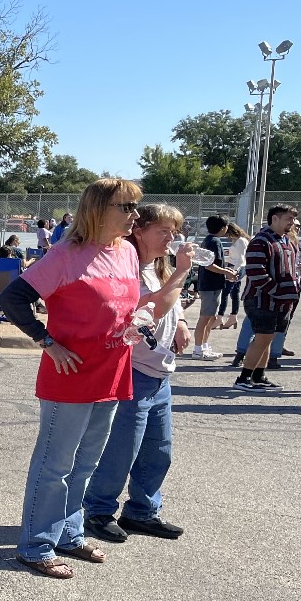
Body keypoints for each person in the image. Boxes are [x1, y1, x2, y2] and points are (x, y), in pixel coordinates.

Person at [0, 178, 188, 580]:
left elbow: (131, 303)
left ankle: (70, 533)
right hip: (70, 375)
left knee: (86, 463)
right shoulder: (66, 254)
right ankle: (35, 546)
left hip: (113, 372)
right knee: (55, 465)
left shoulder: (124, 254)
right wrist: (47, 341)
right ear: (99, 209)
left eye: (136, 207)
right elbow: (12, 298)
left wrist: (138, 317)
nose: (135, 216)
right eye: (127, 207)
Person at [83, 204, 193, 544]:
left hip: (159, 372)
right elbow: (149, 306)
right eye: (163, 230)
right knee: (121, 449)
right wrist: (182, 273)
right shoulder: (129, 265)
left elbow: (170, 306)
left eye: (173, 231)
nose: (171, 237)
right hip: (133, 369)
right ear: (140, 232)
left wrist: (183, 324)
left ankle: (142, 511)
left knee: (158, 450)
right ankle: (98, 512)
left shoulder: (158, 268)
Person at [234, 204, 301, 392]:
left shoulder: (286, 241)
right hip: (262, 300)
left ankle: (259, 376)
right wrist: (277, 291)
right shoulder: (261, 241)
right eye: (289, 219)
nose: (293, 223)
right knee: (262, 337)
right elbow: (256, 273)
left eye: (293, 219)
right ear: (275, 219)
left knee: (268, 338)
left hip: (282, 301)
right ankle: (244, 378)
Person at [190, 215, 234, 359]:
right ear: (222, 228)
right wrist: (226, 271)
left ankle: (204, 346)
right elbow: (209, 265)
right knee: (205, 317)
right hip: (209, 285)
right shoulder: (213, 242)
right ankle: (198, 349)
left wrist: (226, 270)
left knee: (211, 317)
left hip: (213, 284)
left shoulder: (211, 241)